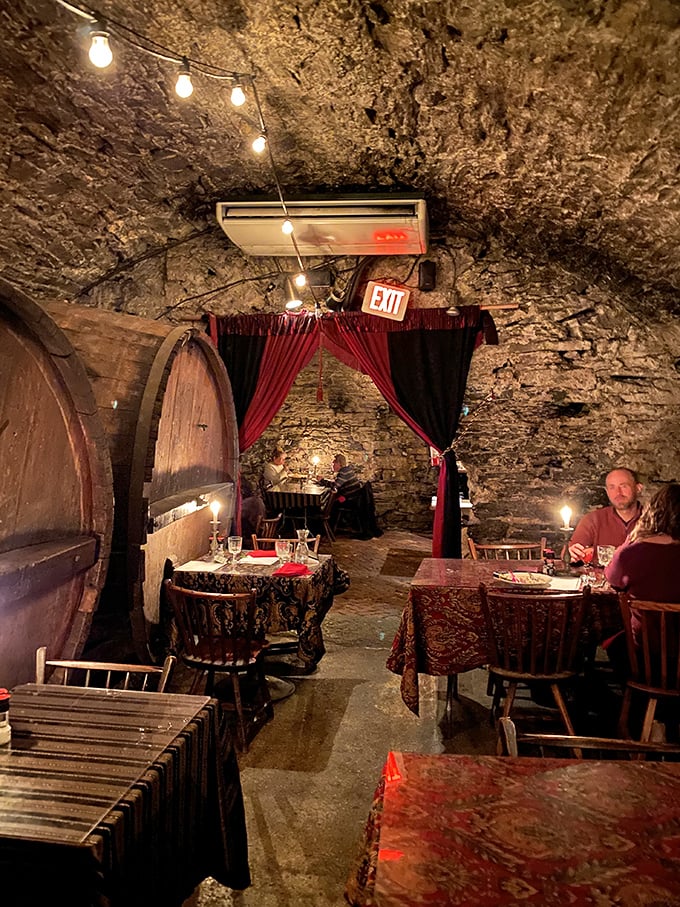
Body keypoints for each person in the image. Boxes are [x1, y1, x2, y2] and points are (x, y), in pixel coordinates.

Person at [603, 484, 680, 729]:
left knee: (611, 643)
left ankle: (645, 717)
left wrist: (631, 540)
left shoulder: (634, 552)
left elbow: (611, 578)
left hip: (647, 655)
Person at [568, 467, 643, 565]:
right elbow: (574, 561)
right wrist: (573, 553)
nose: (618, 493)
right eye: (612, 487)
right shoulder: (593, 520)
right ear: (607, 492)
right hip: (602, 578)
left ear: (638, 488)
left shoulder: (655, 521)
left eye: (623, 486)